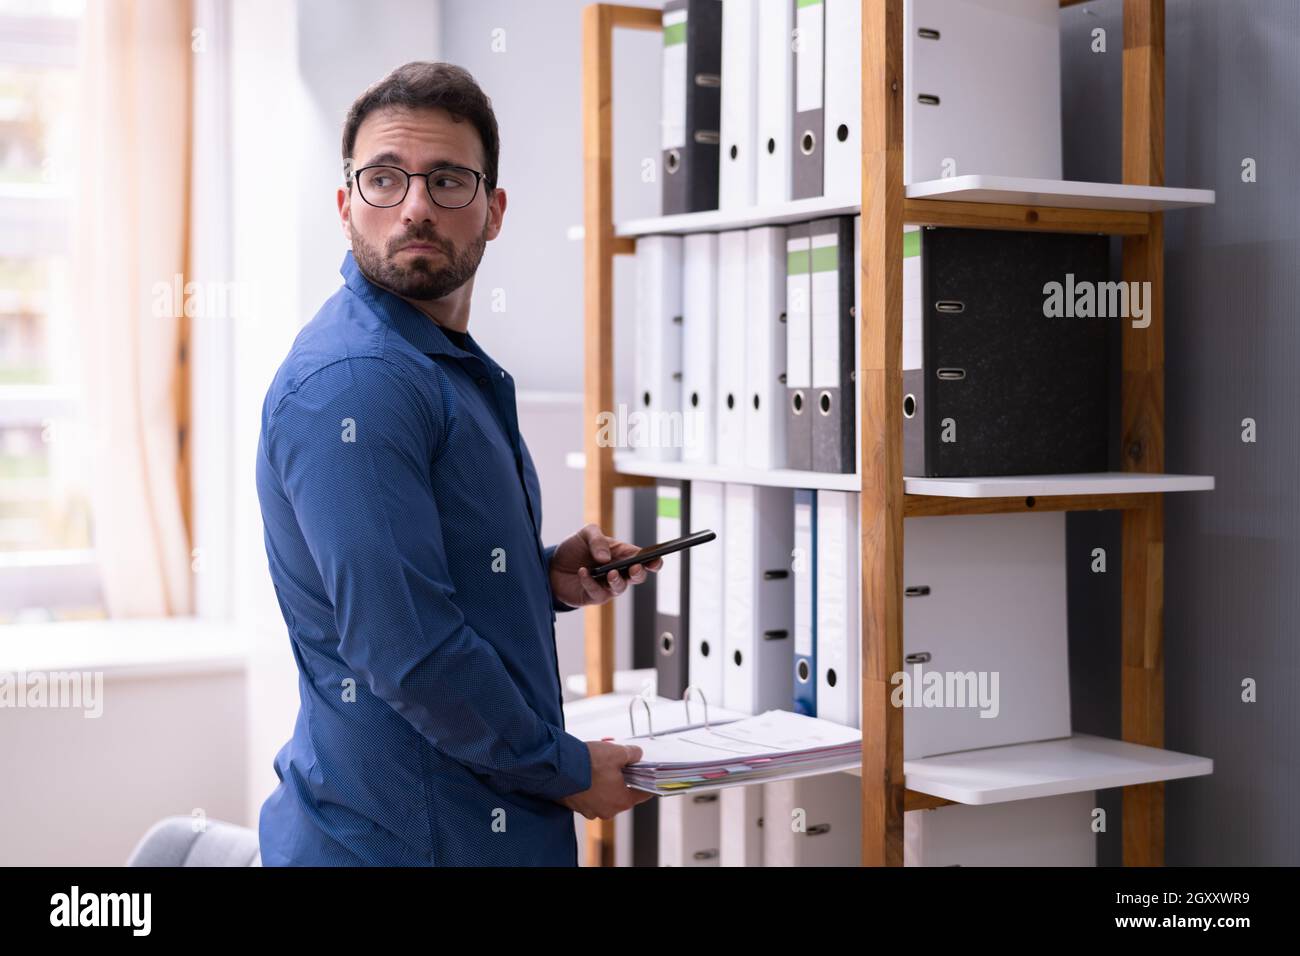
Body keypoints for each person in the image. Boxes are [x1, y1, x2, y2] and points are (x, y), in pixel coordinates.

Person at [255, 61, 658, 866]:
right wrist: (571, 771)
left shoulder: (438, 365)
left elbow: (425, 580)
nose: (413, 208)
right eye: (382, 180)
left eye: (446, 181)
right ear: (345, 208)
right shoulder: (358, 383)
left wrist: (542, 576)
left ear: (493, 210)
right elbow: (408, 648)